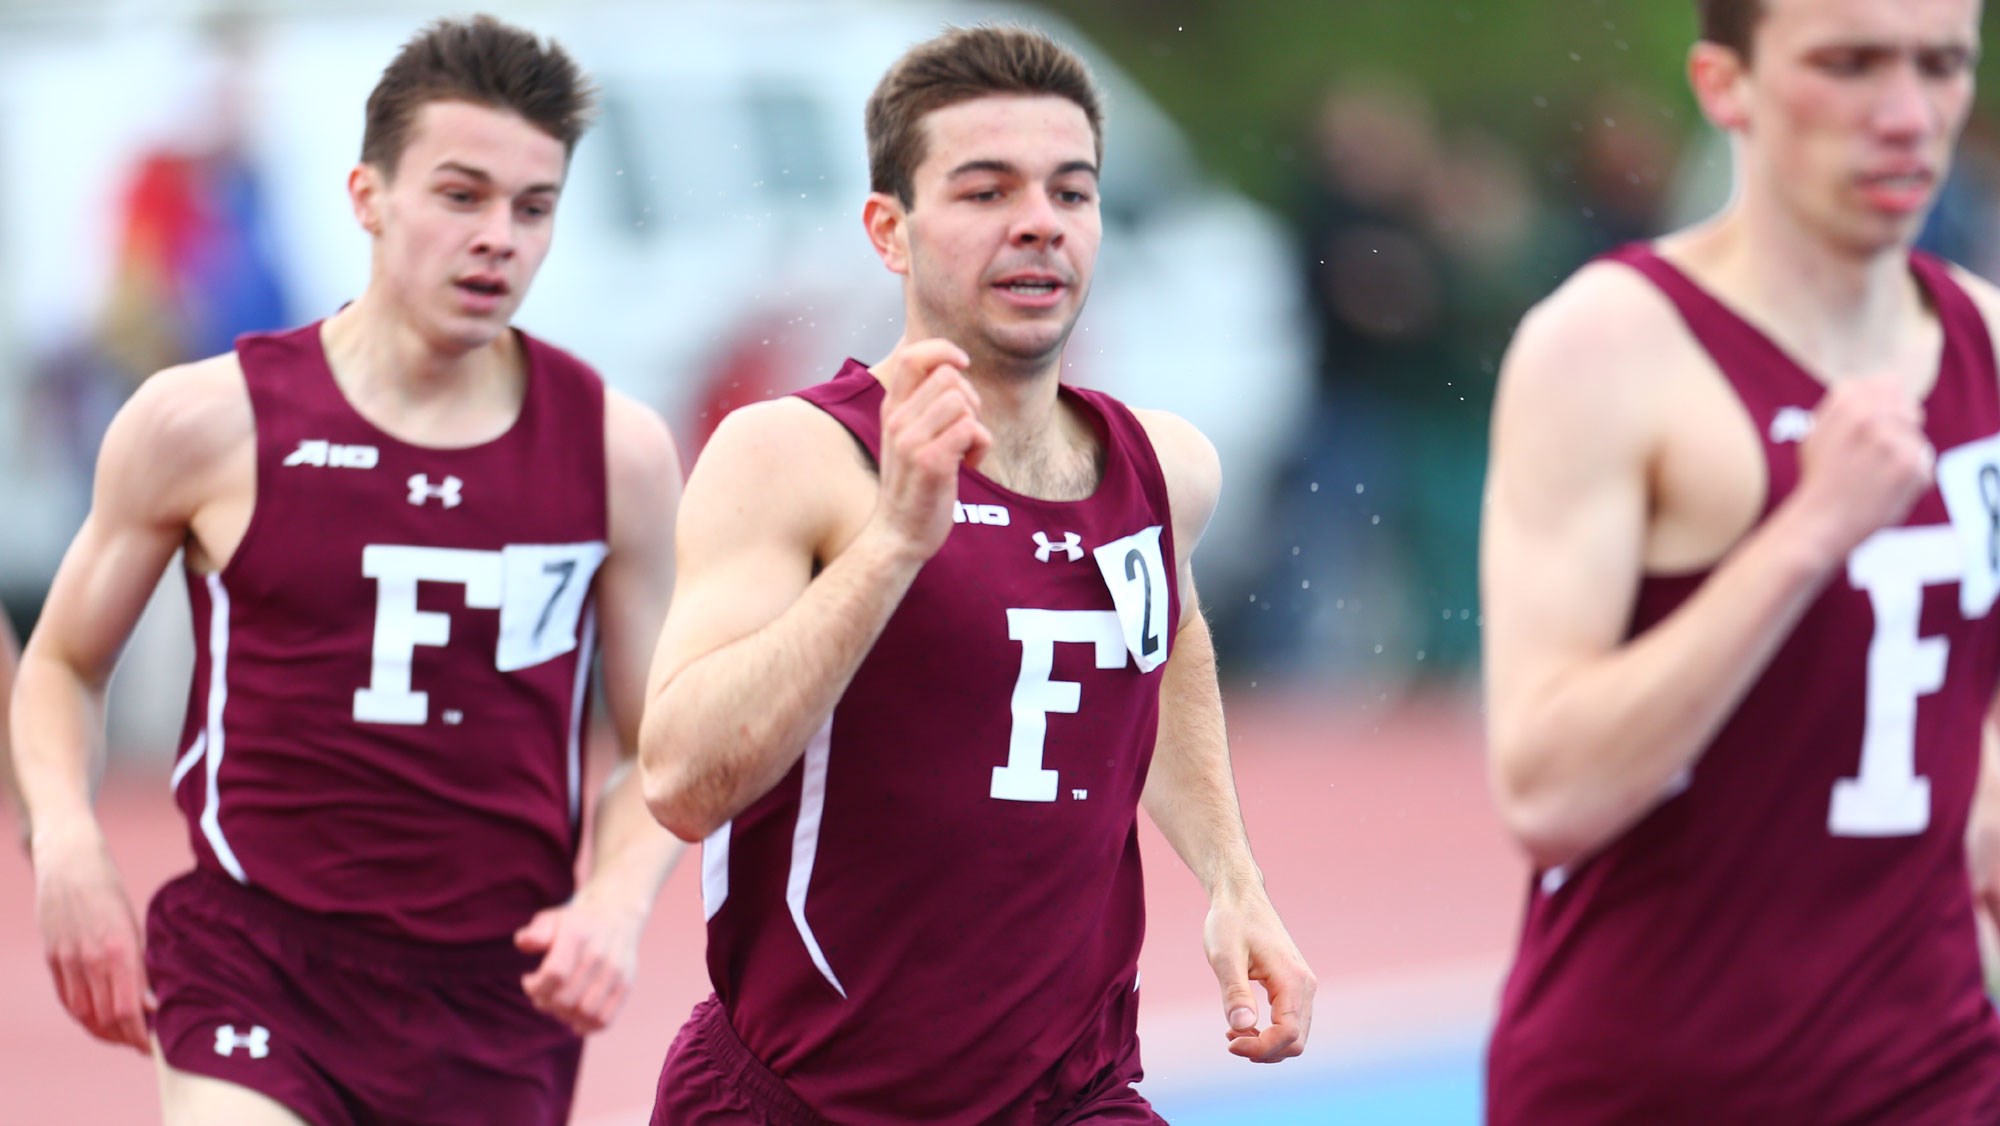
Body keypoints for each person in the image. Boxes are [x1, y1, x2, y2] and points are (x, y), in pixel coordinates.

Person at [9, 16, 683, 1126]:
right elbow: (65, 663)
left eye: (532, 207)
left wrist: (613, 901)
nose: (497, 238)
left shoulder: (617, 452)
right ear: (368, 195)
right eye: (460, 196)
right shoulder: (206, 422)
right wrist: (68, 836)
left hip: (493, 996)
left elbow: (660, 746)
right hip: (258, 961)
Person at [638, 25, 1315, 1125]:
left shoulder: (1164, 468)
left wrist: (1232, 879)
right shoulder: (797, 459)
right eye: (985, 190)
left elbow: (1165, 635)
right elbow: (681, 778)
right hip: (806, 1094)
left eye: (1070, 191)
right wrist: (895, 542)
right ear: (888, 232)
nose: (1038, 221)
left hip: (1071, 1095)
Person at [1482, 0, 2000, 1119]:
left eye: (1940, 65)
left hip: (1934, 1070)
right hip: (1653, 1079)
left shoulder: (1987, 346)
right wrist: (1809, 532)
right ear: (1724, 86)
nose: (1906, 115)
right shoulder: (1609, 347)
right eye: (1848, 64)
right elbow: (1547, 786)